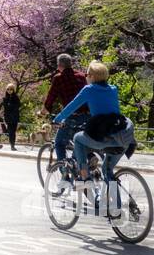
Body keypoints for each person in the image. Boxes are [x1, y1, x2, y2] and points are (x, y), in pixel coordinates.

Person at [54, 61, 134, 194]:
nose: (85, 76)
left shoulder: (89, 90)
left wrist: (57, 119)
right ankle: (115, 208)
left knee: (78, 138)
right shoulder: (113, 89)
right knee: (107, 171)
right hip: (122, 135)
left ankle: (85, 178)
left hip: (104, 134)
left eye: (87, 74)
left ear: (91, 76)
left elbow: (72, 106)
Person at [44, 54, 88, 162]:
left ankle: (65, 175)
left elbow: (51, 96)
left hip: (71, 115)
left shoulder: (58, 78)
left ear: (59, 65)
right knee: (79, 141)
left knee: (59, 143)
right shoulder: (82, 76)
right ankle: (80, 161)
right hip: (87, 115)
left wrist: (44, 109)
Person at [0, 83, 21, 151]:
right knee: (10, 132)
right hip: (8, 117)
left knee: (13, 132)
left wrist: (11, 106)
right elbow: (6, 108)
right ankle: (12, 145)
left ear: (13, 90)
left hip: (14, 117)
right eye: (8, 89)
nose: (9, 90)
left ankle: (13, 145)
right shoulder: (5, 98)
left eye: (11, 89)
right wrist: (5, 117)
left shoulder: (16, 98)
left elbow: (17, 107)